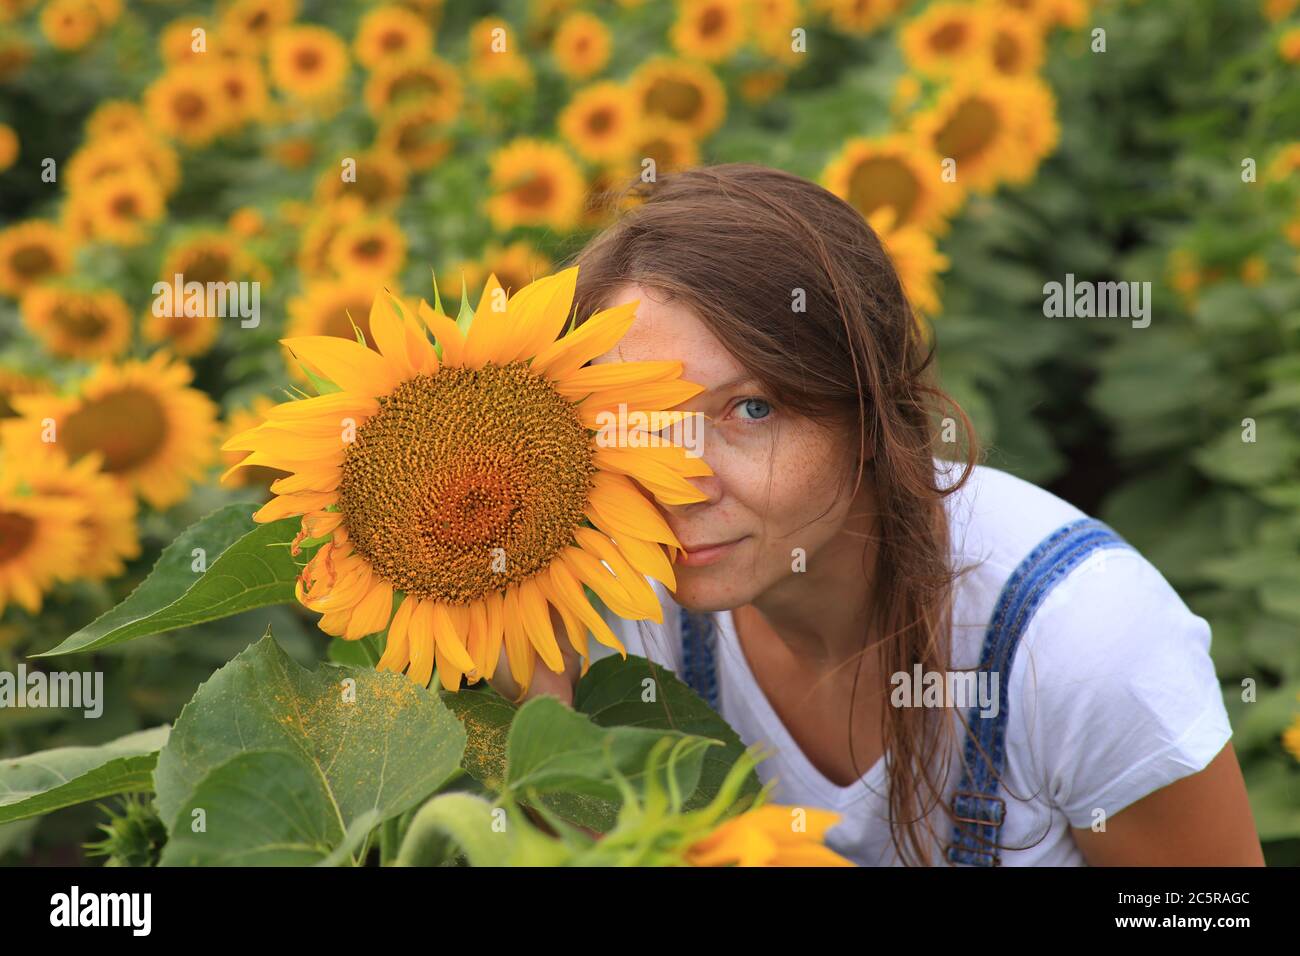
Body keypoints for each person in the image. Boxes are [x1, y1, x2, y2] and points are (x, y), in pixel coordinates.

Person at [489, 163, 1264, 867]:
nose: (681, 482)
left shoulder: (1081, 642)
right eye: (638, 420)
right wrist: (548, 713)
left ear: (872, 415)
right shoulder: (616, 618)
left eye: (750, 409)